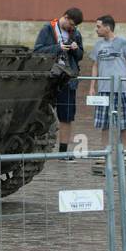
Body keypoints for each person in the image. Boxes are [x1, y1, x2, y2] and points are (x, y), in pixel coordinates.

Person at [89, 15, 126, 174]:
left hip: (121, 89)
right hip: (104, 89)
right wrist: (92, 86)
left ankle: (125, 153)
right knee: (104, 123)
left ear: (107, 27)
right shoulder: (98, 45)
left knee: (125, 122)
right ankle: (105, 152)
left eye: (99, 26)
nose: (96, 29)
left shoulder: (124, 42)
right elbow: (95, 66)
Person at [34, 8, 84, 154]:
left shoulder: (76, 33)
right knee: (42, 114)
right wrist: (58, 48)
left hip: (68, 80)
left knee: (66, 116)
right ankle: (40, 148)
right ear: (66, 17)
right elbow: (37, 51)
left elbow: (80, 55)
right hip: (49, 79)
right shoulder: (48, 29)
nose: (72, 28)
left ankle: (63, 151)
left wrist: (75, 49)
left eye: (75, 26)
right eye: (72, 24)